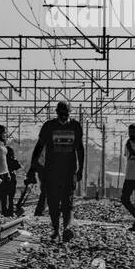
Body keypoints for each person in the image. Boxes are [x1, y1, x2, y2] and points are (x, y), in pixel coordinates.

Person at [30, 101, 85, 243]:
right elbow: (39, 146)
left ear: (69, 113)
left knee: (67, 201)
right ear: (56, 112)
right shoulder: (49, 126)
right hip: (51, 171)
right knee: (53, 202)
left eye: (65, 113)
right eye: (61, 113)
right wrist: (33, 165)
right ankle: (55, 229)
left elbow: (80, 148)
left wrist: (80, 169)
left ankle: (66, 228)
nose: (63, 116)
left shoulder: (75, 126)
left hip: (69, 171)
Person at [0, 125, 16, 220]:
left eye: (6, 132)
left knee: (2, 193)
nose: (6, 134)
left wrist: (8, 173)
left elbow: (4, 160)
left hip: (5, 171)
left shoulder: (2, 144)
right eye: (4, 132)